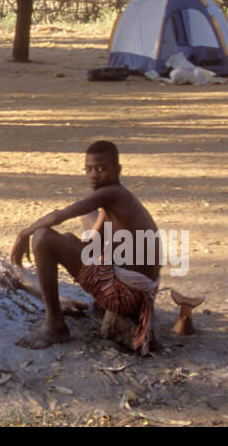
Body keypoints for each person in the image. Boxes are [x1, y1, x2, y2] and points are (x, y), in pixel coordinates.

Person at [9, 140, 162, 356]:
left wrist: (25, 232)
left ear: (117, 170)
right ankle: (68, 309)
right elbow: (92, 243)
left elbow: (58, 216)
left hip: (126, 297)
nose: (93, 175)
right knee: (78, 227)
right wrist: (71, 246)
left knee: (42, 237)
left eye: (101, 168)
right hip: (139, 292)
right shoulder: (116, 198)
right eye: (88, 169)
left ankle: (54, 326)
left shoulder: (112, 193)